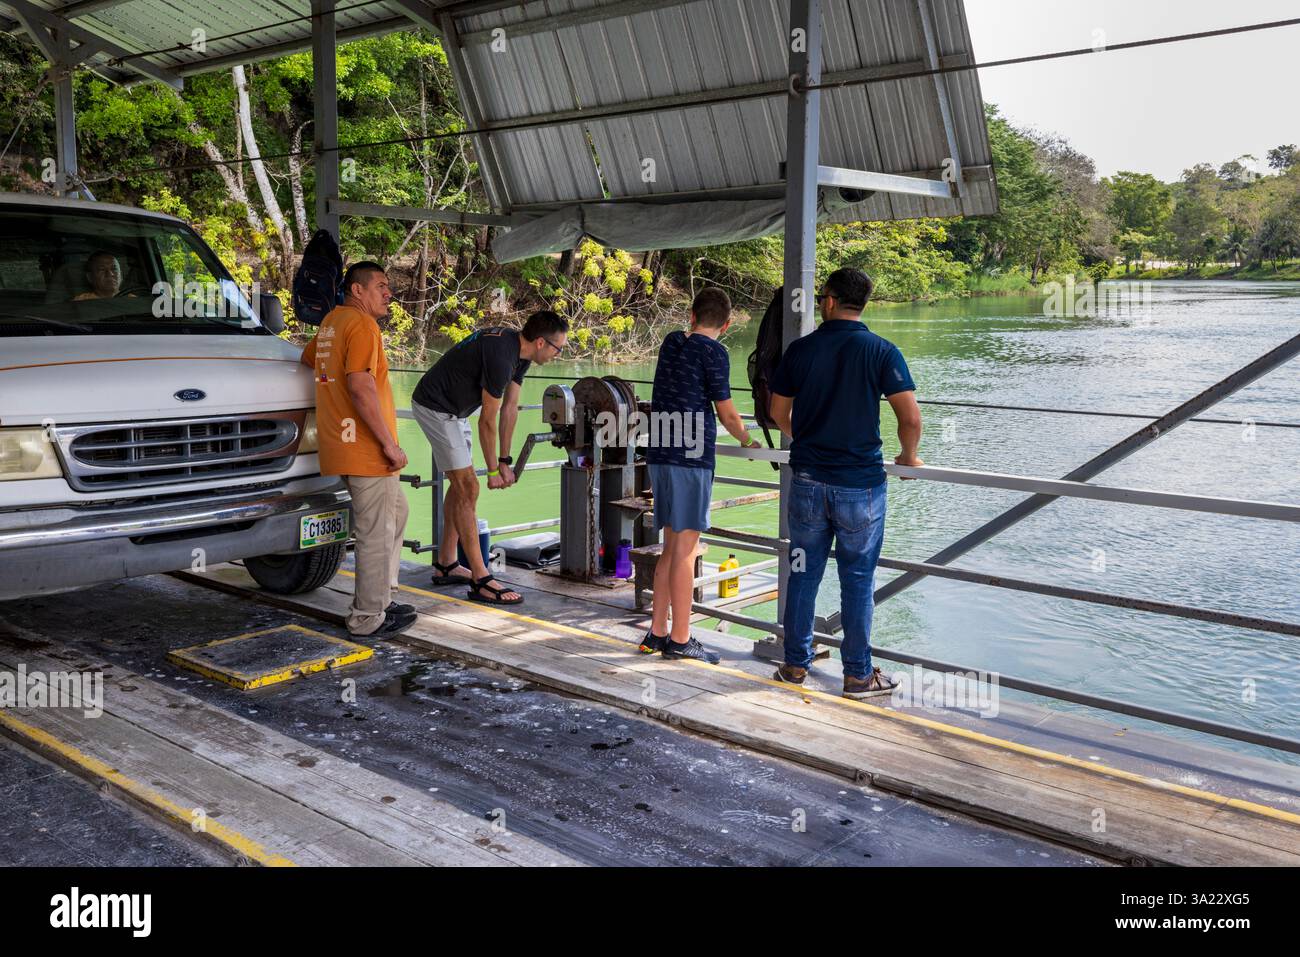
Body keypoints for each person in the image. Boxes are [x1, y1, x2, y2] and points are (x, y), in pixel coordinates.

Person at [767, 268, 923, 698]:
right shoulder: (882, 351)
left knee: (802, 573)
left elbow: (778, 411)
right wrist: (908, 457)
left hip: (808, 484)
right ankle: (857, 675)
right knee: (857, 579)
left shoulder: (801, 351)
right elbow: (909, 418)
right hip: (861, 487)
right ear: (863, 304)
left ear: (830, 301)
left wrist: (806, 437)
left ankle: (795, 666)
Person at [410, 310, 569, 605]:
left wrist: (506, 460)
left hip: (456, 412)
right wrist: (493, 470)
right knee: (469, 487)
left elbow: (510, 408)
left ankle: (446, 562)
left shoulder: (520, 354)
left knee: (461, 485)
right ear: (540, 343)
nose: (558, 354)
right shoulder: (501, 356)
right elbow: (487, 420)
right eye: (558, 348)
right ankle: (481, 578)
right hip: (435, 407)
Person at [640, 288, 760, 664]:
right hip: (690, 459)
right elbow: (726, 412)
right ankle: (680, 639)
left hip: (659, 453)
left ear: (691, 316)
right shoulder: (716, 352)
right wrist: (747, 439)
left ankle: (656, 633)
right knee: (685, 552)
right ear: (726, 324)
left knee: (670, 548)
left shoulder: (671, 342)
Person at [300, 261, 416, 637]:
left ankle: (381, 597)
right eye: (381, 286)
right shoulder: (364, 325)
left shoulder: (332, 322)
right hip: (366, 450)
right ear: (357, 290)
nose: (389, 293)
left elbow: (309, 359)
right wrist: (389, 444)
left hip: (340, 445)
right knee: (375, 532)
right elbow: (361, 386)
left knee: (396, 512)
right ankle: (367, 618)